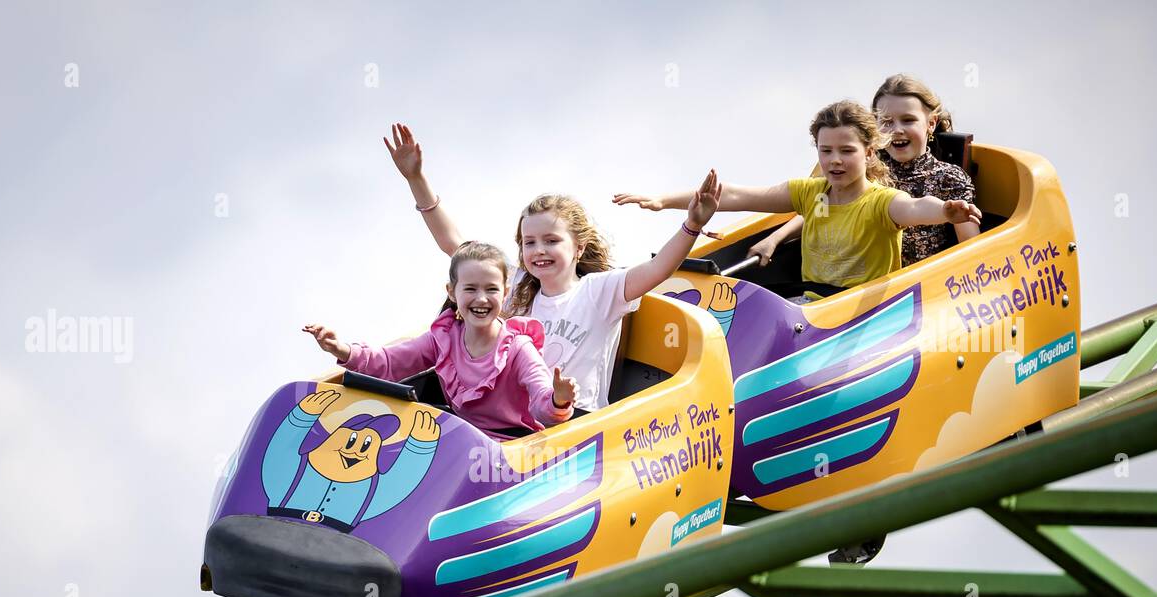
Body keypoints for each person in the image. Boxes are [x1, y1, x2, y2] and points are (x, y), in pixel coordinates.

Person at [383, 123, 721, 409]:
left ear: (578, 247)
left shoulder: (600, 291)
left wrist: (691, 225)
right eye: (529, 243)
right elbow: (454, 244)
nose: (538, 251)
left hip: (575, 422)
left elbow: (659, 269)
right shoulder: (513, 287)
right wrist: (416, 178)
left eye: (551, 241)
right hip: (517, 421)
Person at [612, 99, 981, 302]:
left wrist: (946, 211)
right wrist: (663, 200)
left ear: (869, 152)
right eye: (826, 150)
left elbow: (916, 208)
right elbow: (739, 194)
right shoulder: (811, 193)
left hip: (861, 312)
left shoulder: (882, 202)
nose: (835, 160)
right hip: (810, 308)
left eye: (846, 151)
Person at [303, 240, 577, 437]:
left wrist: (558, 399)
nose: (481, 298)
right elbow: (389, 363)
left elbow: (542, 404)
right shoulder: (444, 339)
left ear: (504, 293)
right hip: (462, 444)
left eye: (491, 289)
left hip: (509, 450)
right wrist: (341, 349)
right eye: (470, 288)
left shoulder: (517, 348)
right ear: (452, 291)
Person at [749, 75, 978, 270]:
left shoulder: (949, 178)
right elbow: (817, 207)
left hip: (914, 290)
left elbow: (972, 250)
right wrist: (775, 239)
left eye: (908, 120)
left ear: (930, 124)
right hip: (854, 277)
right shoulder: (860, 165)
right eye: (886, 121)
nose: (897, 130)